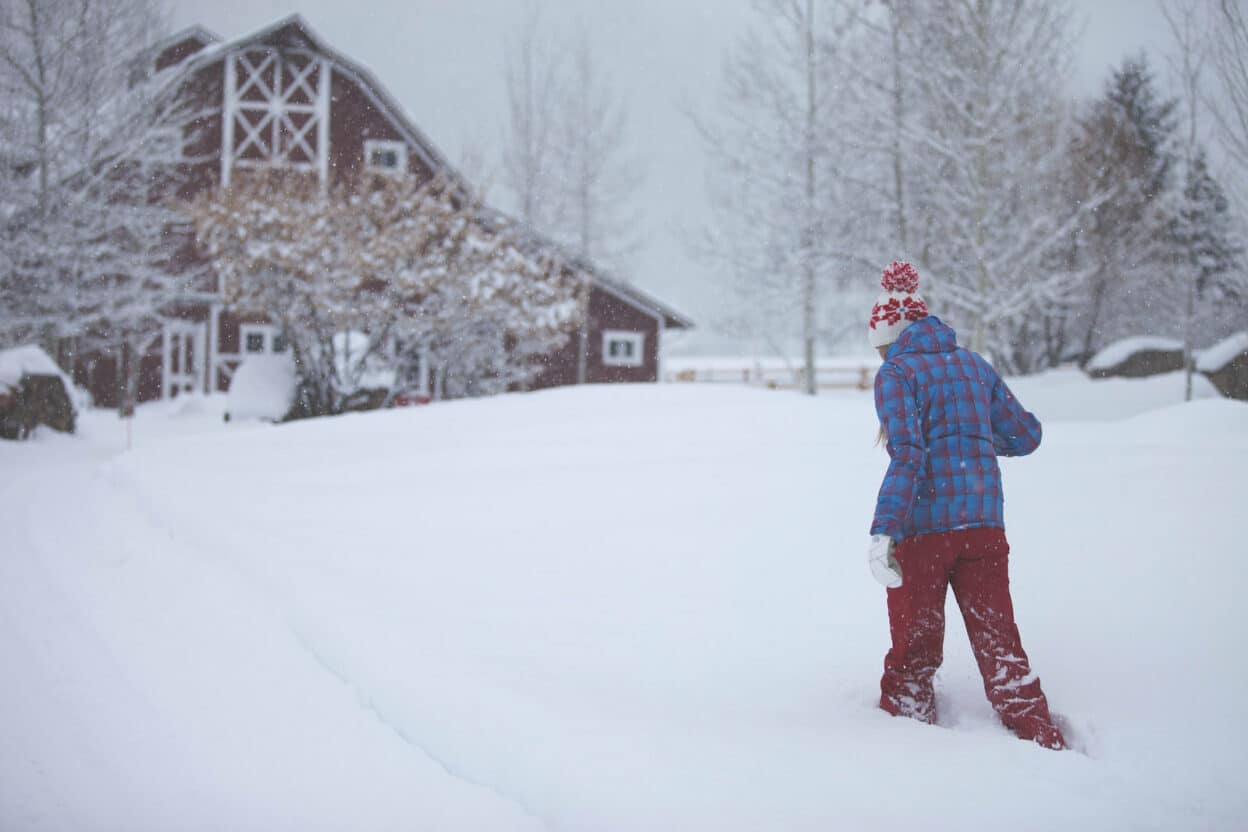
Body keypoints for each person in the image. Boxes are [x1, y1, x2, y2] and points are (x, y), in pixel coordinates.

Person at [865, 261, 1066, 751]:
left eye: (877, 348)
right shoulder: (975, 366)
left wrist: (883, 531)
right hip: (983, 529)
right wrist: (972, 438)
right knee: (1000, 642)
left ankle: (910, 750)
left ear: (889, 339)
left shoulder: (897, 374)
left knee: (914, 653)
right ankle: (1038, 733)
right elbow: (1026, 436)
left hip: (923, 533)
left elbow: (909, 453)